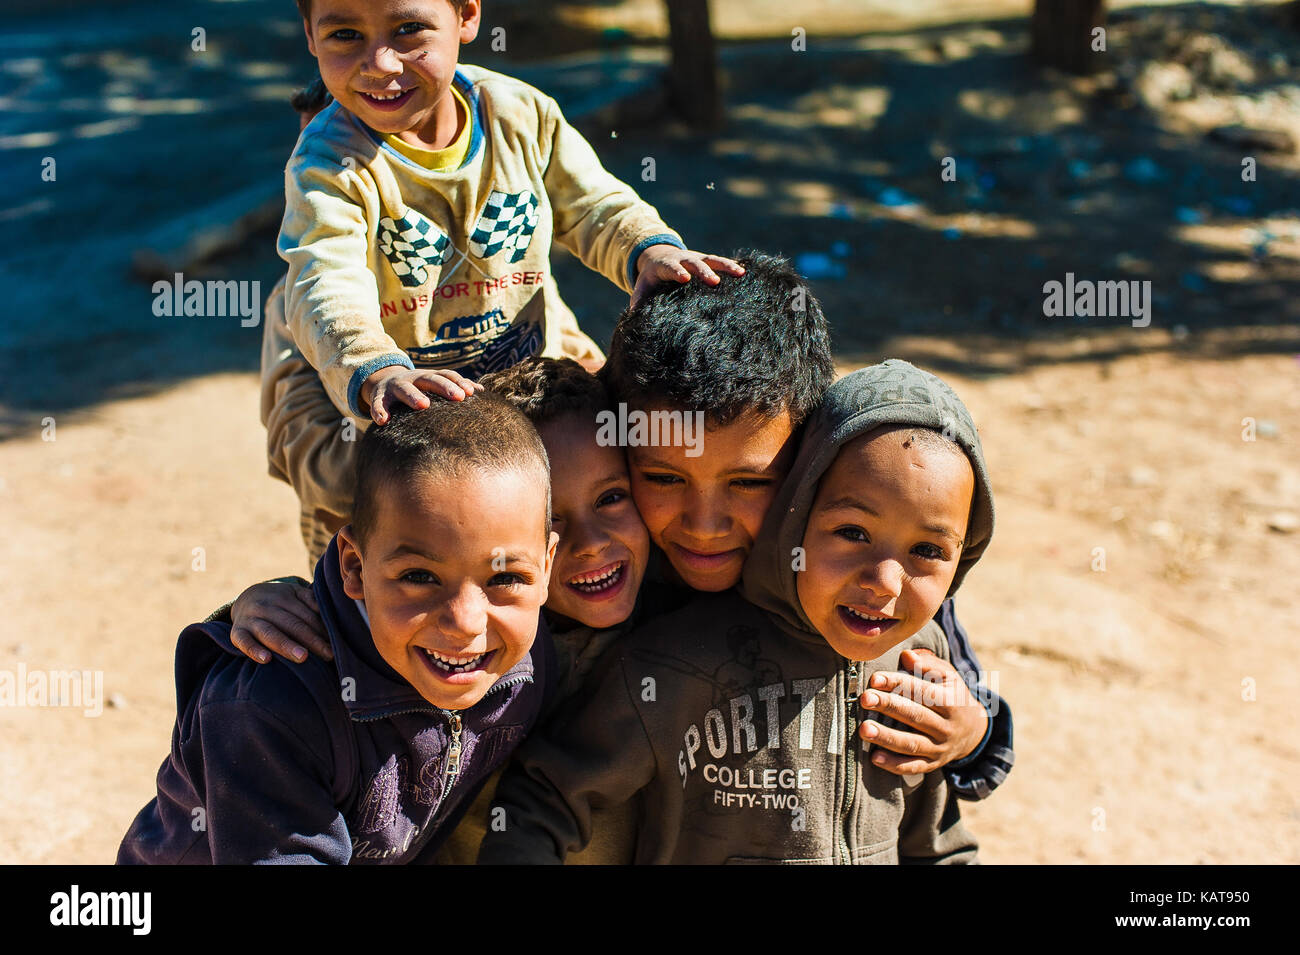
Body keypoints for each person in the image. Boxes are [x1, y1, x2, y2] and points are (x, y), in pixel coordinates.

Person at [273, 0, 743, 562]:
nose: (381, 63)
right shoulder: (327, 167)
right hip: (417, 429)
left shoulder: (517, 114)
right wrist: (377, 369)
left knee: (586, 527)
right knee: (397, 585)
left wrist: (649, 248)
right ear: (309, 34)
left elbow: (593, 203)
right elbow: (325, 283)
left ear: (467, 17)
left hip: (535, 398)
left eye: (408, 30)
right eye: (345, 34)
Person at [477, 359, 992, 863]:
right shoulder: (670, 663)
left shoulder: (923, 666)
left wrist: (976, 728)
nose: (883, 581)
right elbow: (546, 800)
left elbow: (937, 841)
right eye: (851, 533)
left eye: (927, 551)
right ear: (797, 513)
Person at [117, 394, 558, 864]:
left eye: (505, 578)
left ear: (547, 568)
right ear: (353, 565)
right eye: (419, 577)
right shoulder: (271, 707)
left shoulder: (527, 664)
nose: (466, 623)